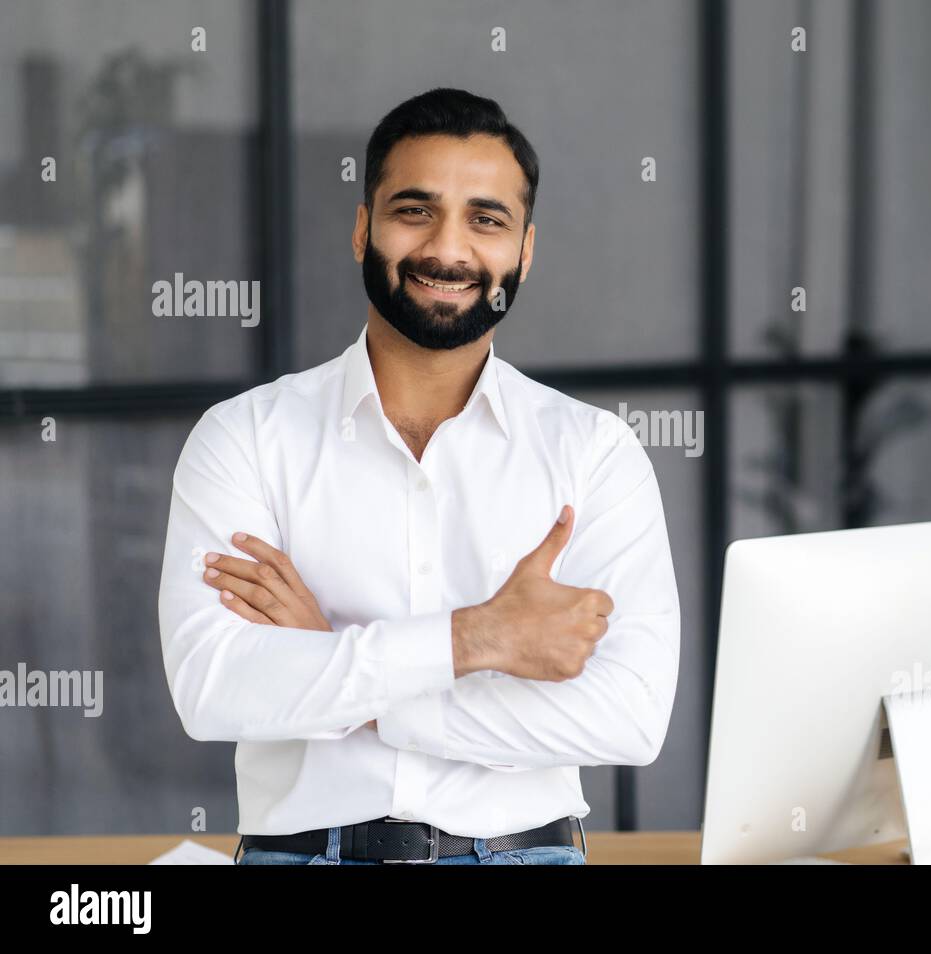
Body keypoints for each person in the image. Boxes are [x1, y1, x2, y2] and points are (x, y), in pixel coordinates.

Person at [157, 88, 681, 866]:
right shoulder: (244, 438)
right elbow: (213, 690)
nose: (449, 248)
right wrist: (479, 640)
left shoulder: (595, 453)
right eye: (415, 211)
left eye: (486, 219)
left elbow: (628, 719)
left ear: (525, 250)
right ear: (364, 228)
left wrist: (337, 667)